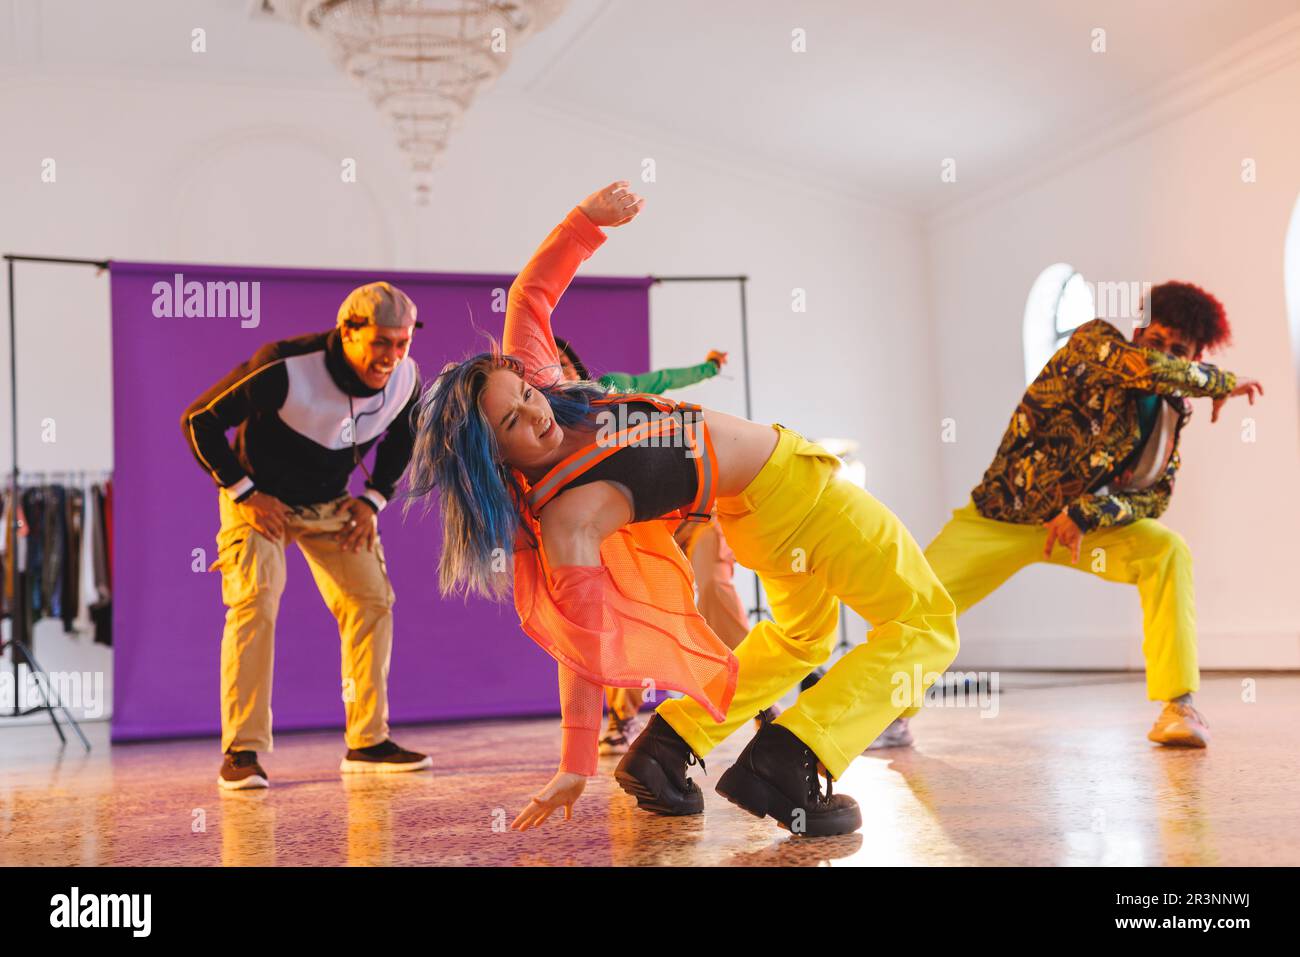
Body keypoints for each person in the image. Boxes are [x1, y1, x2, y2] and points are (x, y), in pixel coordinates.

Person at [404, 182, 959, 836]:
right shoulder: (568, 516)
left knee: (798, 637)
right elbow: (580, 646)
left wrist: (585, 222)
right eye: (513, 422)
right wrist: (574, 760)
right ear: (490, 455)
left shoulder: (550, 394)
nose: (538, 413)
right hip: (797, 496)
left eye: (526, 392)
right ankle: (796, 755)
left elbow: (530, 294)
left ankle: (667, 746)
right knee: (926, 622)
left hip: (757, 516)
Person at [870, 282, 1263, 752]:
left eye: (1179, 350)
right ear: (1138, 332)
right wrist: (1218, 380)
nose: (1165, 356)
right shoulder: (1094, 343)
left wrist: (1086, 512)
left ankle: (1179, 706)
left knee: (1166, 550)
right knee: (917, 600)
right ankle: (889, 713)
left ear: (1194, 355)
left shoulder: (1171, 414)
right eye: (1156, 340)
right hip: (1001, 516)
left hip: (1076, 531)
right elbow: (1143, 368)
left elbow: (1154, 498)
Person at [182, 281, 433, 789]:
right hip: (260, 505)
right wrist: (245, 492)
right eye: (381, 342)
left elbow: (404, 438)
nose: (393, 355)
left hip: (329, 503)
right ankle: (242, 751)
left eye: (403, 342)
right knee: (256, 601)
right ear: (348, 332)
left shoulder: (406, 377)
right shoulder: (284, 365)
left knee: (371, 600)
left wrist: (373, 499)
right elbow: (200, 420)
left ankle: (366, 742)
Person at [549, 336, 749, 755]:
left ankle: (756, 687)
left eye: (566, 363)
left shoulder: (611, 389)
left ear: (577, 366)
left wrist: (708, 368)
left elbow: (663, 378)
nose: (562, 372)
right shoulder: (553, 436)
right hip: (646, 529)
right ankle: (622, 718)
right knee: (633, 612)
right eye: (551, 368)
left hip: (696, 510)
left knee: (714, 585)